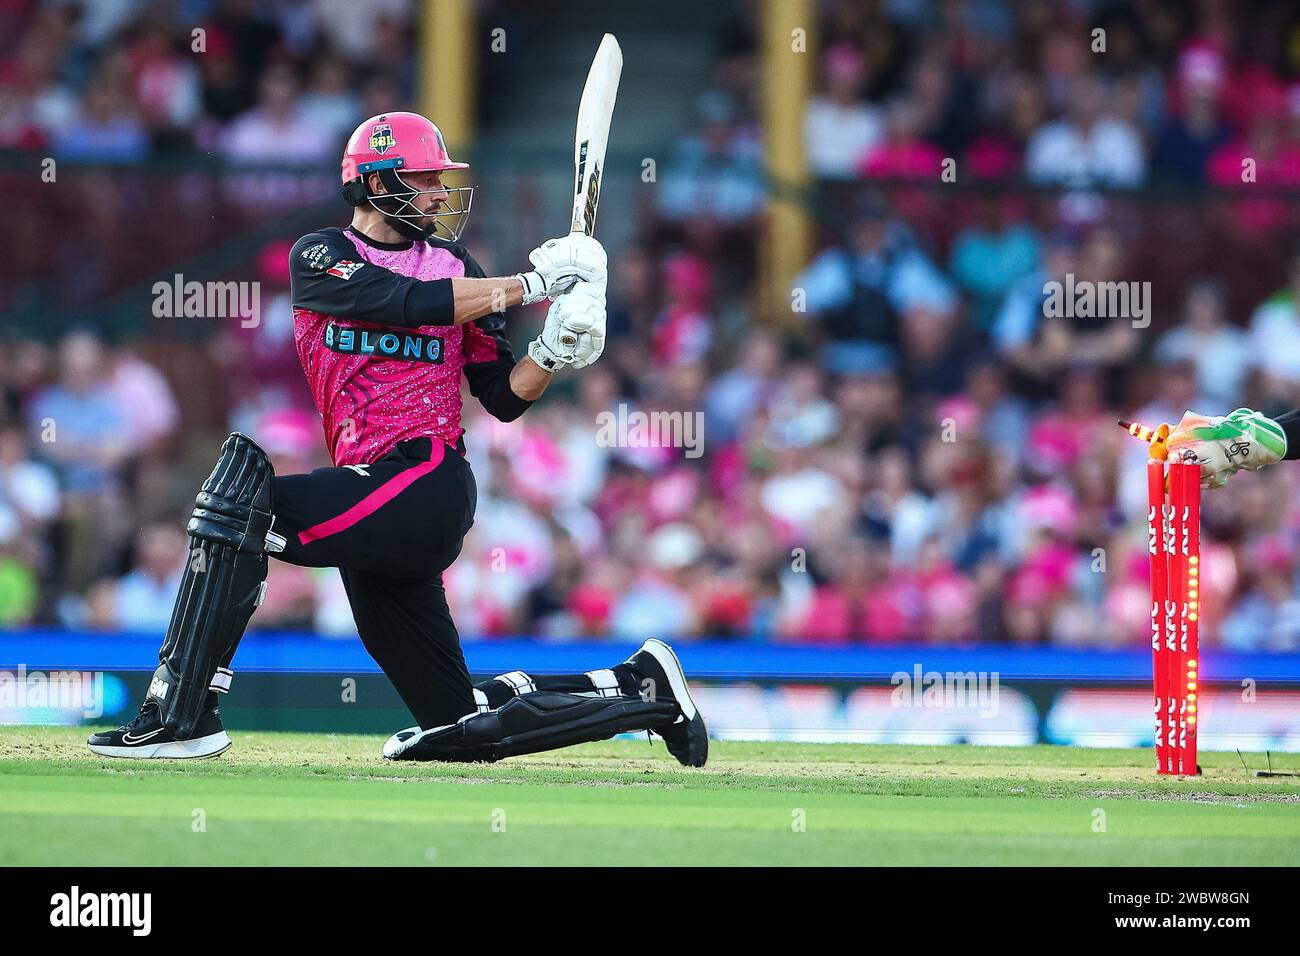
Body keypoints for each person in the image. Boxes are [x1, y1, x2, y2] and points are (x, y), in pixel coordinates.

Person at [88, 112, 707, 766]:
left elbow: (502, 397)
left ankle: (182, 714)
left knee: (240, 502)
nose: (440, 196)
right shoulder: (321, 255)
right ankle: (641, 688)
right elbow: (402, 302)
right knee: (456, 725)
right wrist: (535, 286)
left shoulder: (458, 267)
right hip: (372, 495)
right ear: (377, 183)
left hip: (427, 482)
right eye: (425, 181)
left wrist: (554, 352)